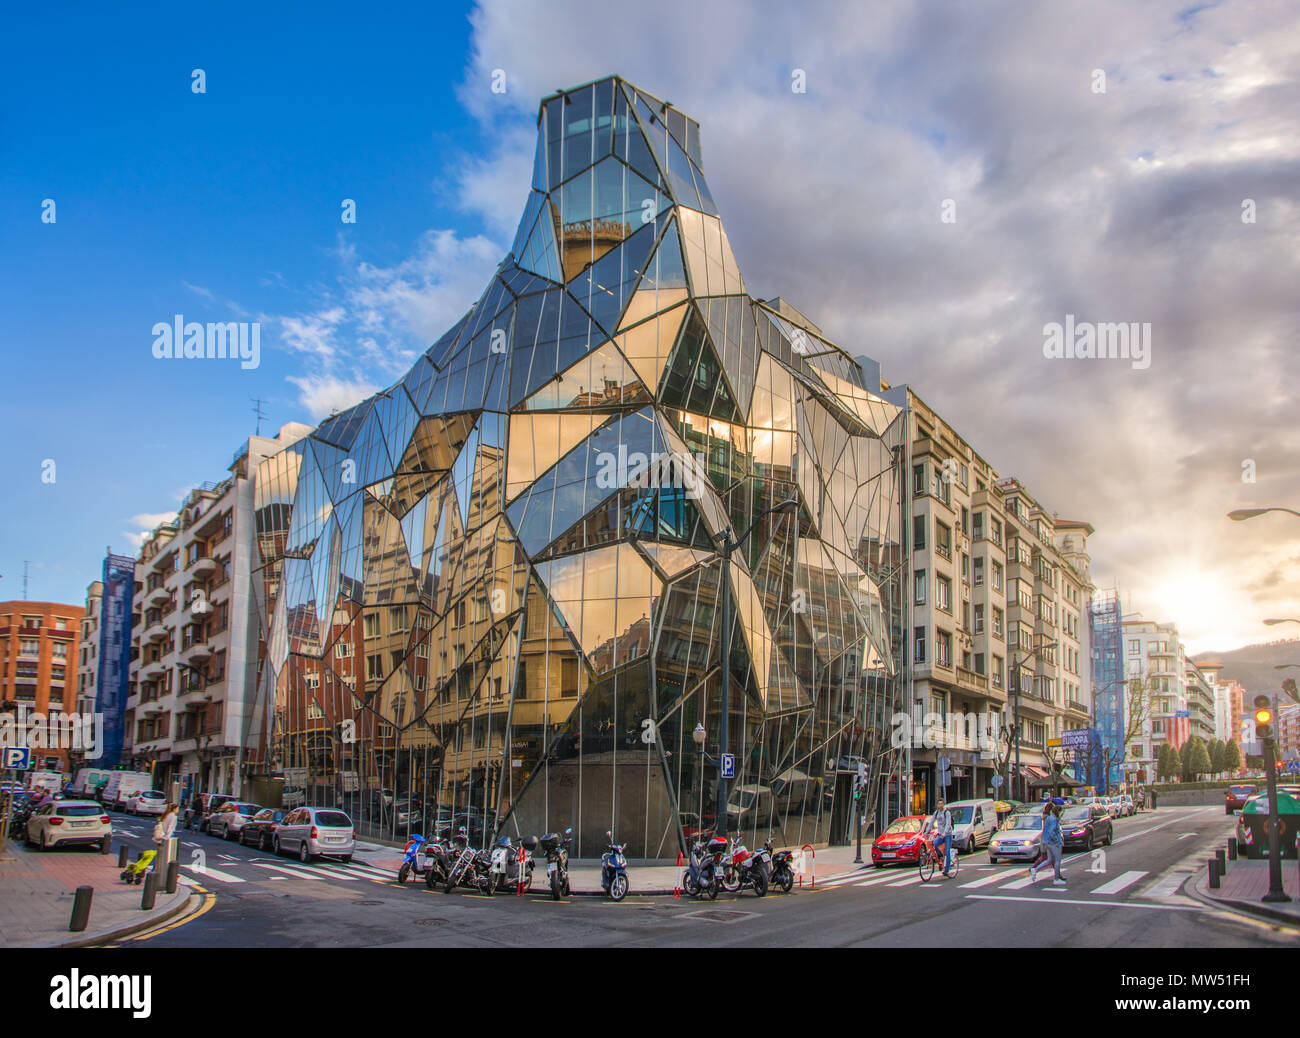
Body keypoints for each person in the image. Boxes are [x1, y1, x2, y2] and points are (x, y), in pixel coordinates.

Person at [1032, 800, 1065, 885]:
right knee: (1057, 860)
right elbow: (1051, 831)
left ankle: (1035, 869)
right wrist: (1057, 841)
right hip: (1053, 843)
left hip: (1047, 842)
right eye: (1061, 812)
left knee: (1049, 860)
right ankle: (1056, 879)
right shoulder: (1054, 819)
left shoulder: (1049, 818)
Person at [930, 797, 955, 876]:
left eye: (941, 803)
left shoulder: (947, 813)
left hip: (947, 835)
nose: (940, 805)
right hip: (940, 834)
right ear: (937, 805)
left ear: (943, 804)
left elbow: (948, 824)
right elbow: (931, 822)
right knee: (934, 844)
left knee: (947, 852)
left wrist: (944, 833)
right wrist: (926, 832)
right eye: (939, 804)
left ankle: (946, 869)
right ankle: (940, 856)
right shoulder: (936, 813)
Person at [154, 802, 178, 871]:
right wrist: (167, 838)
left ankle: (155, 870)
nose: (178, 810)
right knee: (167, 856)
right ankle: (165, 871)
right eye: (177, 808)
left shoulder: (165, 815)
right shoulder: (173, 817)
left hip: (160, 836)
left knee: (159, 855)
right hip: (167, 837)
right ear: (174, 809)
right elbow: (170, 828)